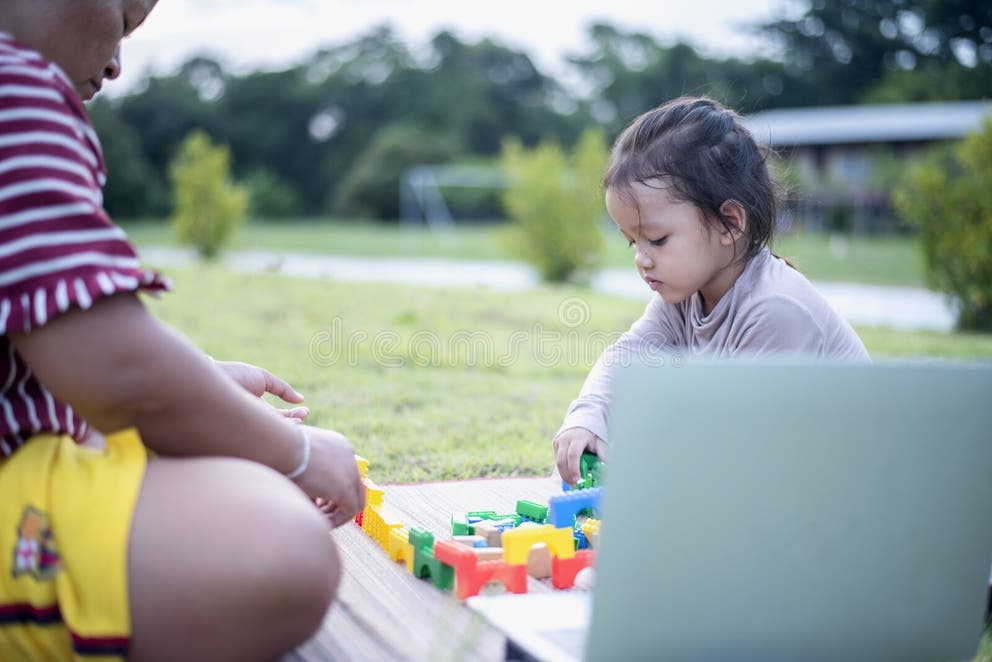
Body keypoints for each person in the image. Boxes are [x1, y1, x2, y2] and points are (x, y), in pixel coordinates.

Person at [0, 1, 365, 660]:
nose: (116, 61)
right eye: (126, 15)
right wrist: (297, 451)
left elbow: (53, 365)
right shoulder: (14, 93)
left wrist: (204, 394)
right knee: (275, 544)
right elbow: (116, 370)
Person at [553, 96, 870, 486]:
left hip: (842, 491)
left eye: (657, 238)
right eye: (632, 242)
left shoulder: (776, 309)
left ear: (729, 223)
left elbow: (744, 449)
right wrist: (588, 416)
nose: (642, 259)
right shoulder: (683, 297)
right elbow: (630, 356)